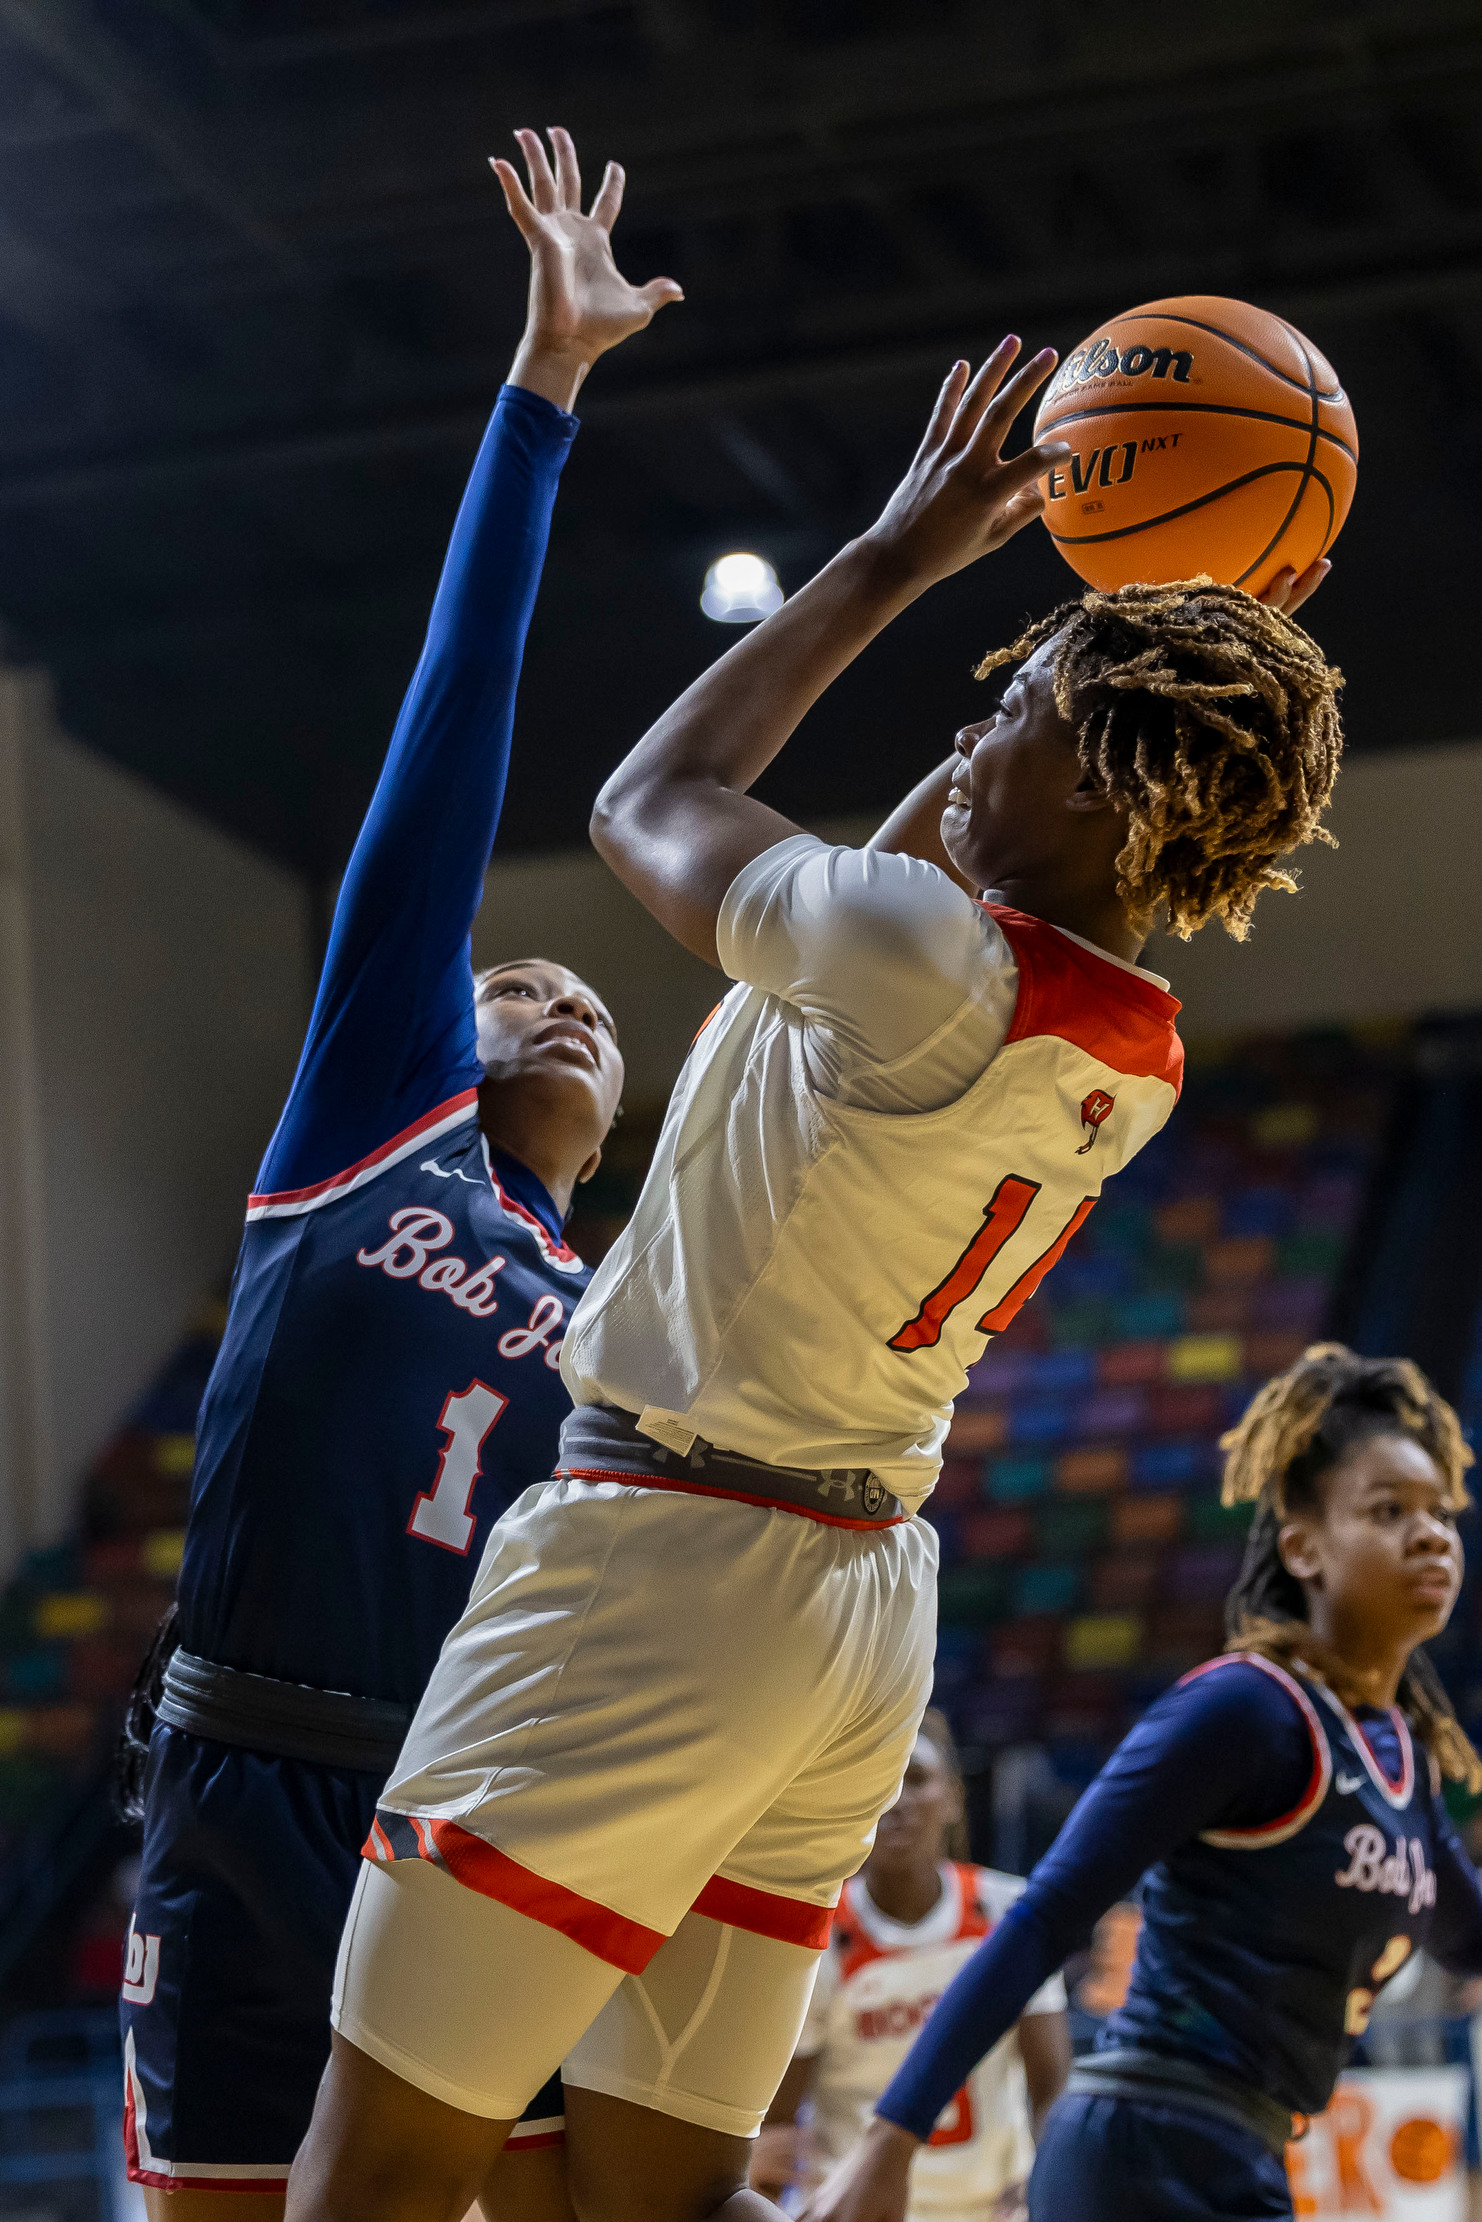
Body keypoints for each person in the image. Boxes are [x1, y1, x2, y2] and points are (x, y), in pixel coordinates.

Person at [286, 322, 1343, 2222]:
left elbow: (645, 797)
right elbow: (942, 866)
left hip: (655, 1566)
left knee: (367, 2179)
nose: (968, 724)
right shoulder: (1123, 1037)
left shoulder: (915, 958)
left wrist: (893, 558)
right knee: (658, 2203)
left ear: (1102, 788)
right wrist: (1141, 633)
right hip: (849, 1617)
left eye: (1012, 709)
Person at [119, 126, 680, 2222]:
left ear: (621, 1125)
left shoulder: (633, 1316)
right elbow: (453, 731)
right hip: (239, 1765)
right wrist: (542, 398)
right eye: (510, 978)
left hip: (469, 1817)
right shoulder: (368, 1119)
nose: (556, 999)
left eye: (594, 1005)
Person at [803, 1345, 1482, 2222]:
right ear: (1304, 1548)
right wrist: (889, 2137)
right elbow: (1047, 1915)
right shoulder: (1245, 1710)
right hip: (1146, 2146)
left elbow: (1469, 1939)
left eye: (1440, 1513)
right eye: (1389, 1511)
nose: (1429, 1533)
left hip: (1244, 2151)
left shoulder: (1402, 1761)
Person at [751, 1711, 1069, 2217]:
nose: (896, 1801)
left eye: (916, 1779)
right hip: (863, 2208)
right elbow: (778, 2129)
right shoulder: (819, 1938)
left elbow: (1052, 2086)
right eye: (881, 1783)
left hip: (994, 2207)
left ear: (952, 1798)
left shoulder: (1011, 1912)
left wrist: (1049, 2180)